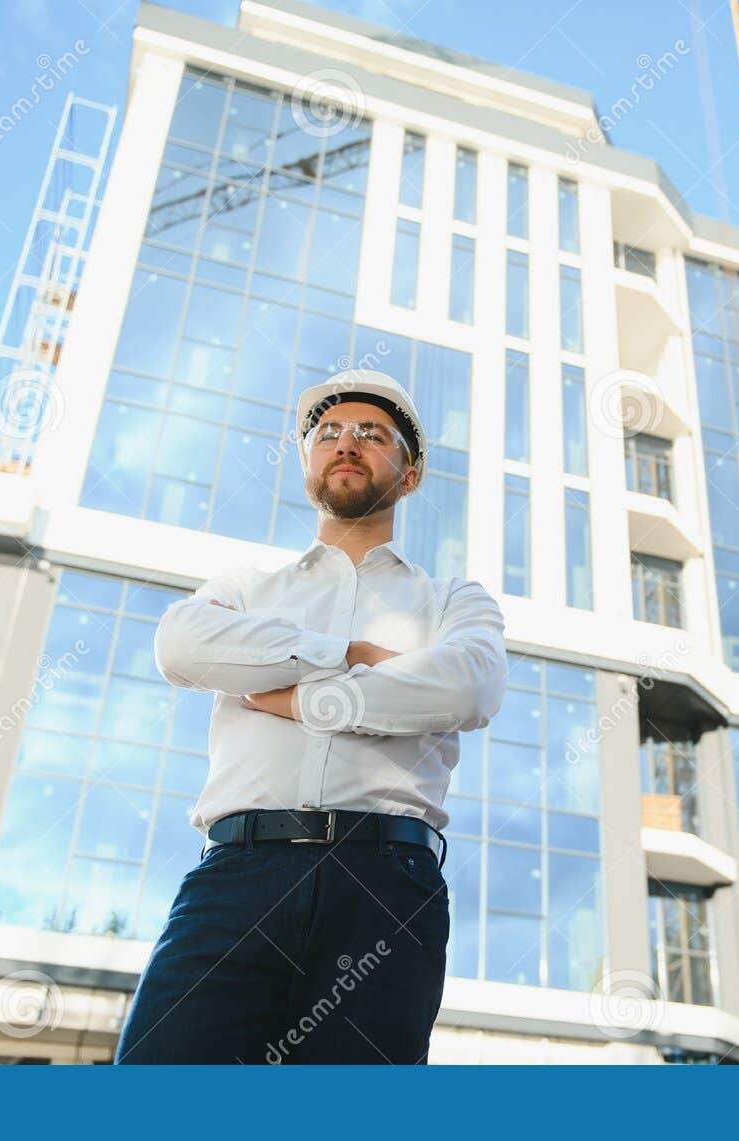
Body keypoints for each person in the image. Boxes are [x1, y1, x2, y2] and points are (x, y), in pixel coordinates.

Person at [113, 368, 507, 1064]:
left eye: (372, 434)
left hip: (386, 888)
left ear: (409, 475)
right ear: (307, 464)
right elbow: (180, 645)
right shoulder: (245, 587)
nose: (346, 442)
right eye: (329, 433)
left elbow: (468, 687)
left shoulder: (453, 600)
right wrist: (347, 653)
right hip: (236, 877)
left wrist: (296, 696)